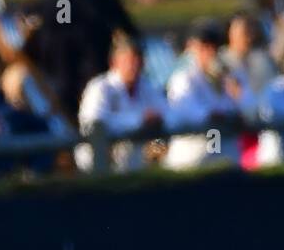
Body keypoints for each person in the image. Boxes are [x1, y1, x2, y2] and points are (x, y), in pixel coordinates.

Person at [76, 31, 167, 172]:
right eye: (128, 60)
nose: (134, 65)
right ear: (114, 62)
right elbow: (94, 124)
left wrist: (155, 119)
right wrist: (139, 120)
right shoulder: (99, 87)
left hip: (134, 163)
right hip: (99, 164)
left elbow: (166, 112)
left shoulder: (146, 86)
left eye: (137, 60)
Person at [165, 19, 241, 169]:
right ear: (192, 47)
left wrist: (236, 97)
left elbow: (242, 108)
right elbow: (189, 110)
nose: (211, 52)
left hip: (218, 153)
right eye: (205, 47)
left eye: (214, 47)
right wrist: (213, 114)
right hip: (189, 158)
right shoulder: (183, 78)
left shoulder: (225, 76)